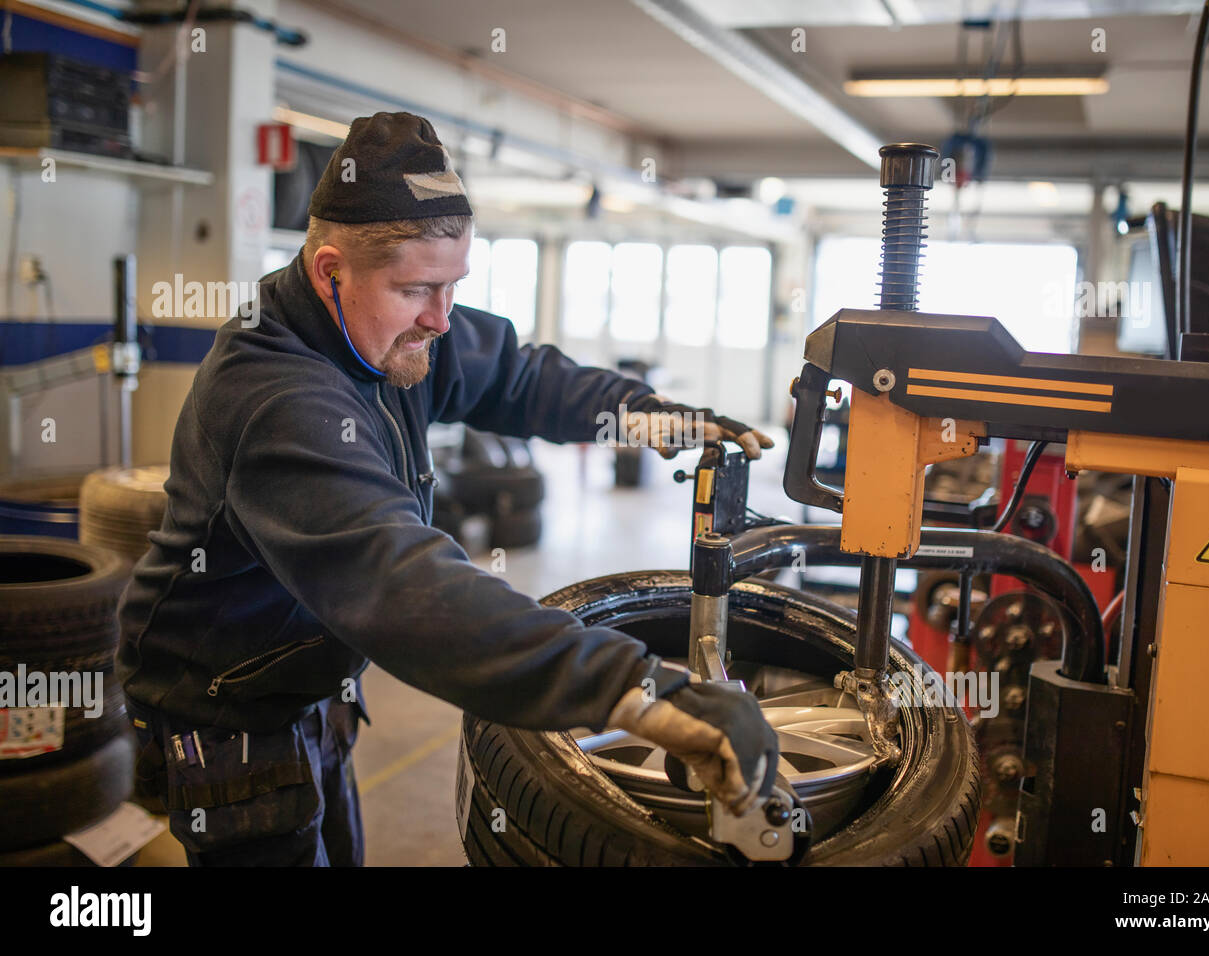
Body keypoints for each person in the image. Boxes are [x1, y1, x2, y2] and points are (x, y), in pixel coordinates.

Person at [116, 112, 779, 866]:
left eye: (455, 285)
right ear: (330, 271)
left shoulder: (388, 324)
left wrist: (646, 413)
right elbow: (404, 584)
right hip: (218, 708)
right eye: (418, 290)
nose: (441, 318)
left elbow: (519, 376)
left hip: (307, 680)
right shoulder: (277, 400)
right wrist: (639, 688)